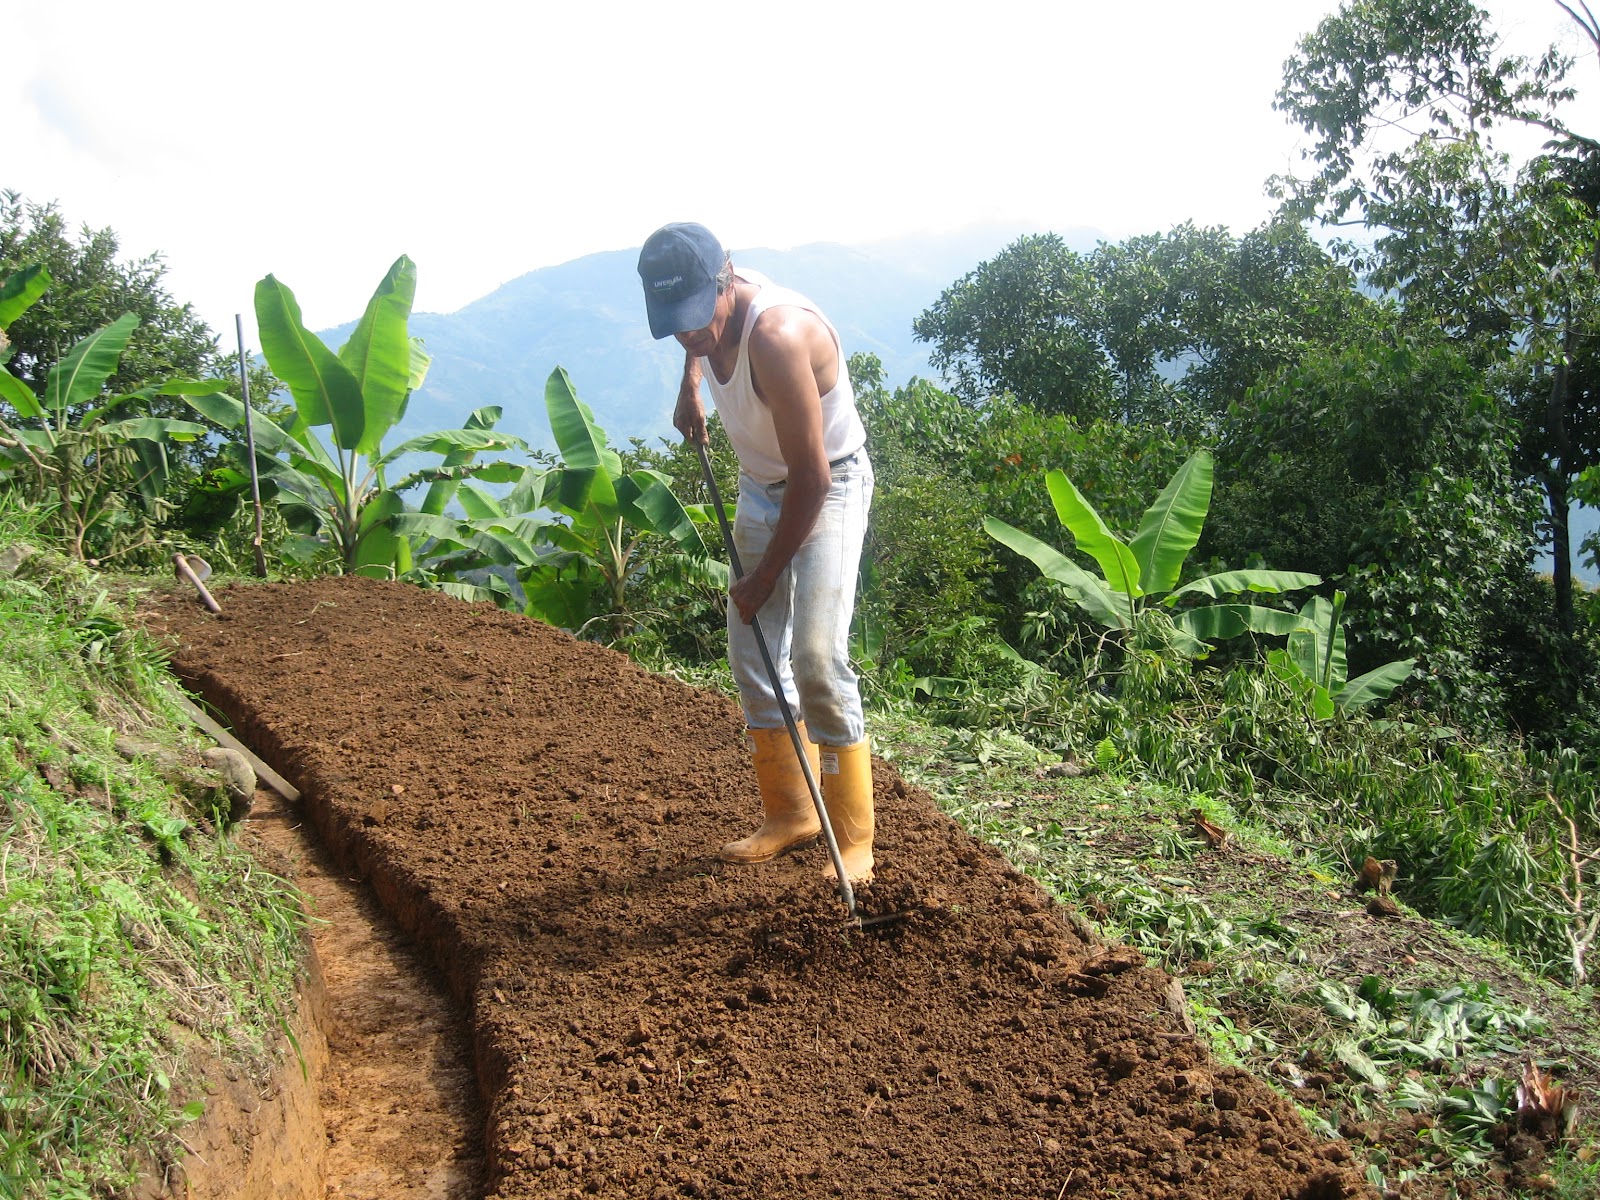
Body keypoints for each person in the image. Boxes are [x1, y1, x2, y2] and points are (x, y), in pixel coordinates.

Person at [637, 222, 876, 883]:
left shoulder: (776, 337)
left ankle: (853, 838)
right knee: (755, 658)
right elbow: (698, 337)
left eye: (697, 319)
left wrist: (765, 576)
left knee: (816, 657)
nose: (692, 334)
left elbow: (814, 479)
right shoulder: (700, 319)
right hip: (759, 485)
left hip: (824, 485)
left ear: (728, 278)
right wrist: (691, 381)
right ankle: (792, 815)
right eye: (675, 323)